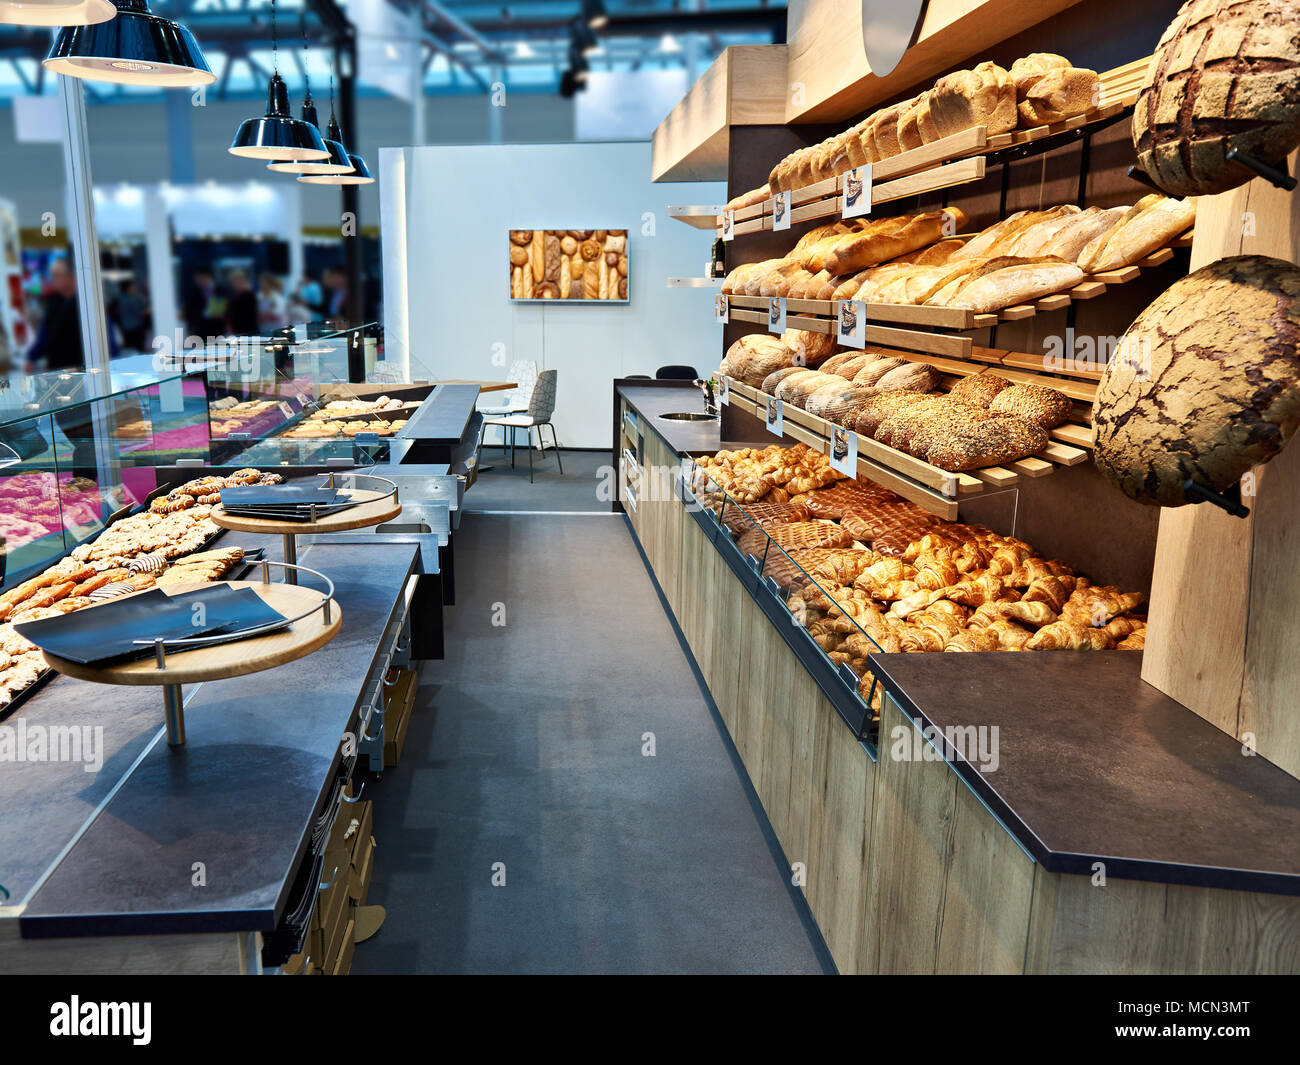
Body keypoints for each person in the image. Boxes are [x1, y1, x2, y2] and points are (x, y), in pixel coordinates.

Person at [183, 267, 226, 340]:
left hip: (219, 329)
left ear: (209, 277)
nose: (199, 281)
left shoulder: (221, 290)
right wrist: (190, 330)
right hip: (201, 331)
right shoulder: (193, 292)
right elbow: (189, 313)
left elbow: (229, 308)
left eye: (201, 278)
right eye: (197, 278)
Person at [112, 278, 149, 351]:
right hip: (135, 328)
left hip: (126, 328)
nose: (135, 288)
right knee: (139, 349)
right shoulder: (132, 298)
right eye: (133, 286)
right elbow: (140, 312)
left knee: (131, 349)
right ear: (128, 288)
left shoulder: (120, 298)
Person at [226, 270, 259, 336]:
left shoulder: (248, 294)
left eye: (237, 281)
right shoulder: (234, 294)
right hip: (237, 330)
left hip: (248, 330)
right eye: (233, 281)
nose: (235, 284)